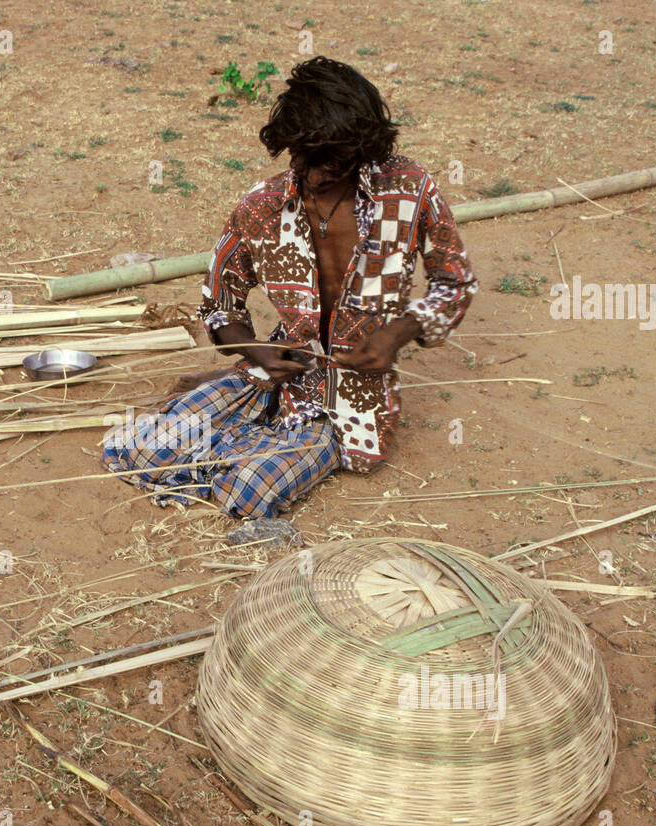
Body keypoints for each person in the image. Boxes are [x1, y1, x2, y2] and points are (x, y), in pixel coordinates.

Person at [104, 56, 478, 519]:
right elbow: (219, 308)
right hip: (275, 377)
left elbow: (455, 282)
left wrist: (396, 333)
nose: (317, 175)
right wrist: (258, 351)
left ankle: (249, 450)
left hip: (350, 404)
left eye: (334, 163)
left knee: (248, 493)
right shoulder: (261, 206)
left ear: (365, 149)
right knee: (142, 450)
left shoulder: (409, 189)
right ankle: (239, 431)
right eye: (306, 157)